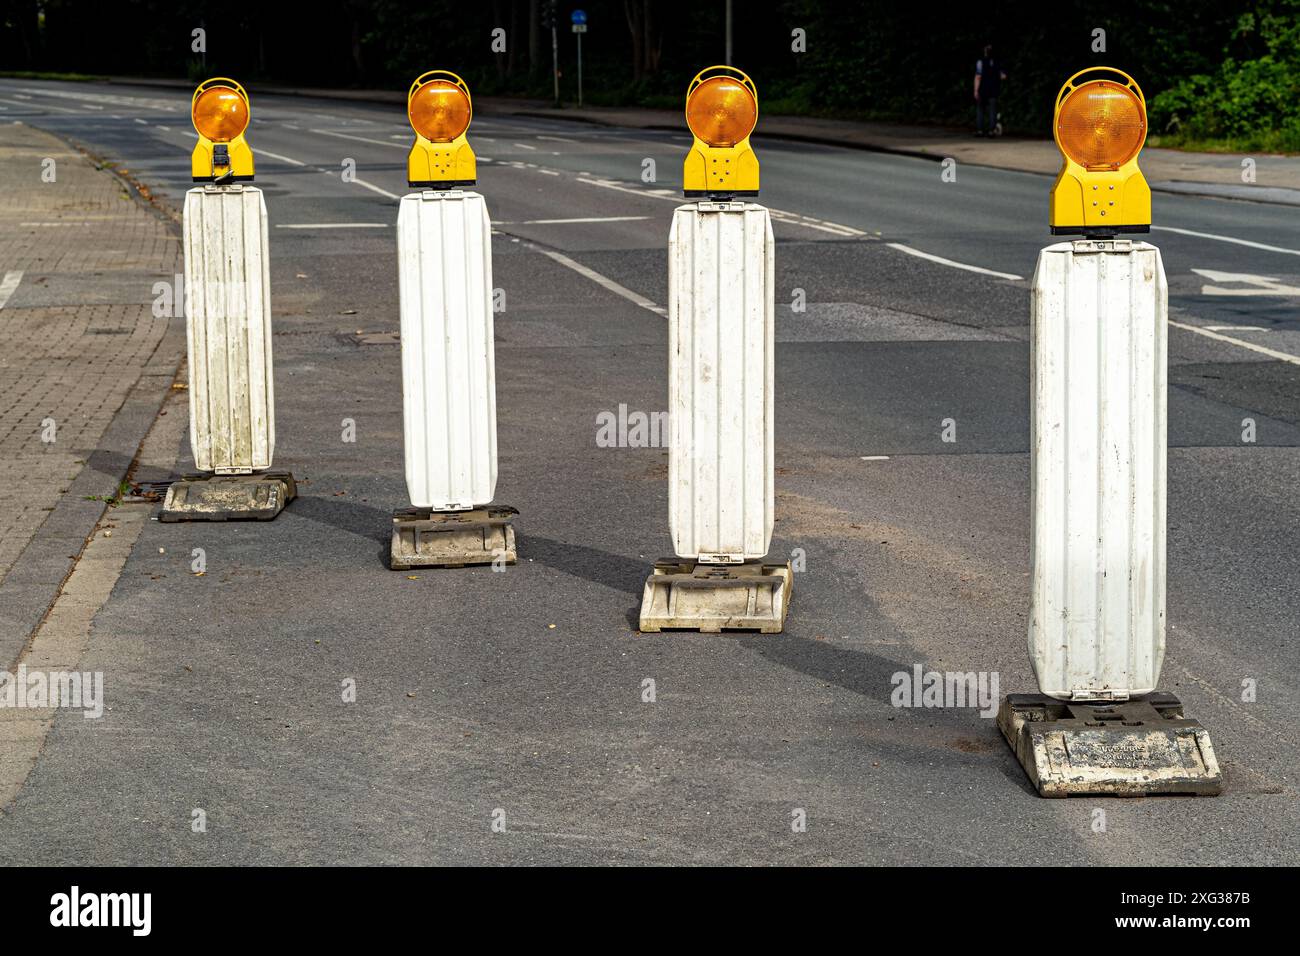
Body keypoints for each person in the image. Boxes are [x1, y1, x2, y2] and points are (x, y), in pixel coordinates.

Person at [973, 44, 1007, 137]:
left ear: (985, 52)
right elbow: (1003, 76)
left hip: (982, 90)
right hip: (994, 90)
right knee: (993, 110)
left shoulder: (980, 62)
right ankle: (991, 131)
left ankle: (980, 130)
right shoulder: (998, 63)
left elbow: (978, 77)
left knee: (980, 110)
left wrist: (976, 90)